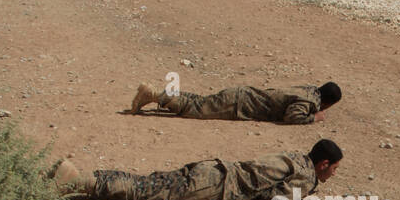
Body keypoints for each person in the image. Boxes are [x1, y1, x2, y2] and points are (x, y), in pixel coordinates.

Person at [52, 138, 342, 200]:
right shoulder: (306, 177)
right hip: (217, 186)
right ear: (323, 164)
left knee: (148, 182)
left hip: (214, 169)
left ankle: (81, 178)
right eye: (334, 169)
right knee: (146, 194)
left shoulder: (294, 156)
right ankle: (79, 182)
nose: (333, 174)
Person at [130, 80, 342, 123]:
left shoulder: (307, 89)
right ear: (328, 103)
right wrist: (314, 117)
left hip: (241, 95)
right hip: (240, 104)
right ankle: (154, 95)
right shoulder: (309, 102)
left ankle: (158, 93)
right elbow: (292, 116)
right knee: (195, 110)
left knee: (200, 102)